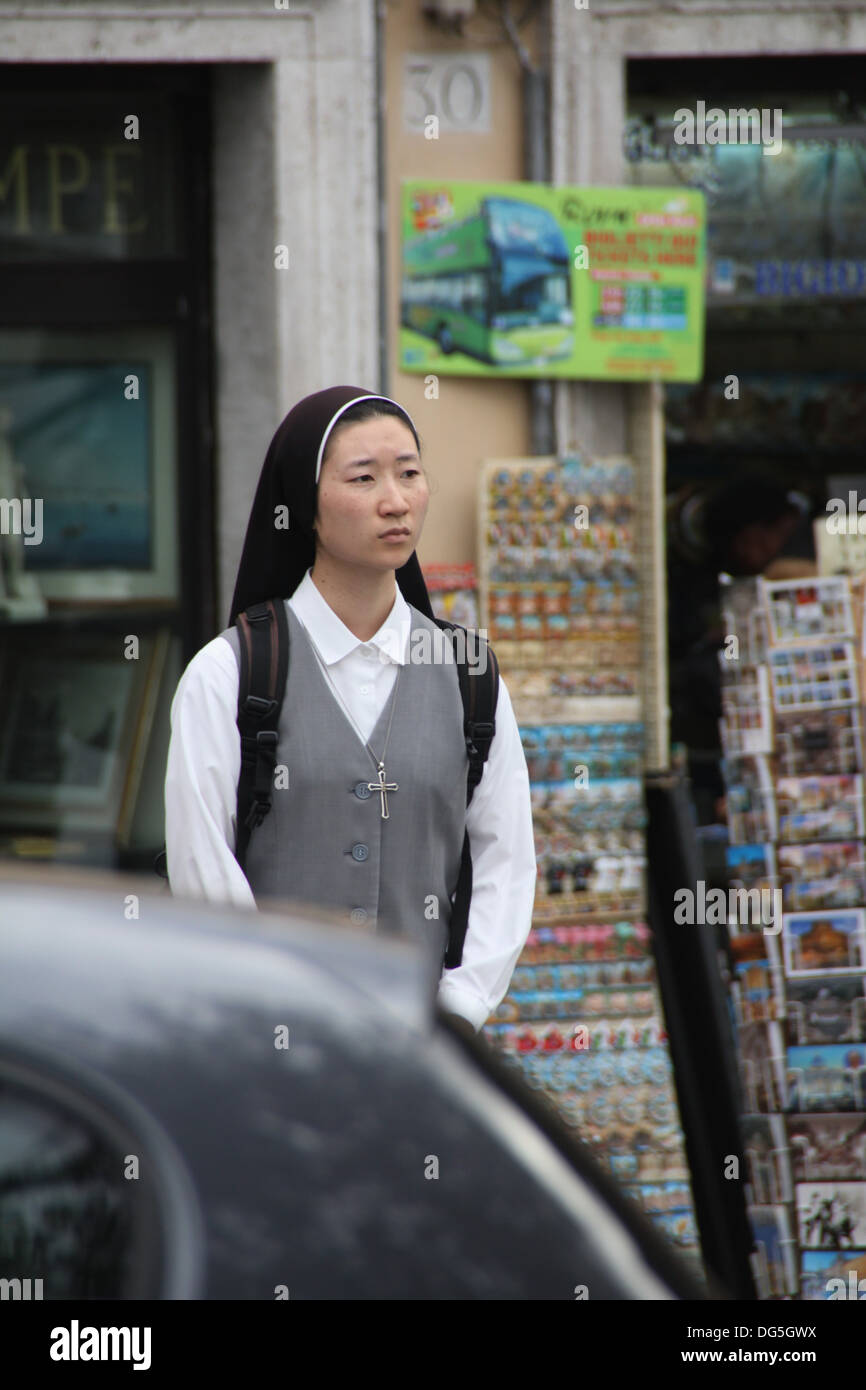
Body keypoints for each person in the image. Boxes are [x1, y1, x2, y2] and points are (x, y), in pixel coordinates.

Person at [164, 385, 537, 1035]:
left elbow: (507, 857)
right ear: (305, 506)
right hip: (271, 1045)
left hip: (424, 1051)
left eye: (410, 473)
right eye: (363, 478)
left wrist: (458, 1008)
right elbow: (203, 870)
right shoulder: (229, 675)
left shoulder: (469, 675)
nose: (395, 501)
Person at [666, 470, 812, 825]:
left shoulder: (786, 574)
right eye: (760, 537)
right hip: (710, 752)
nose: (765, 547)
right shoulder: (696, 591)